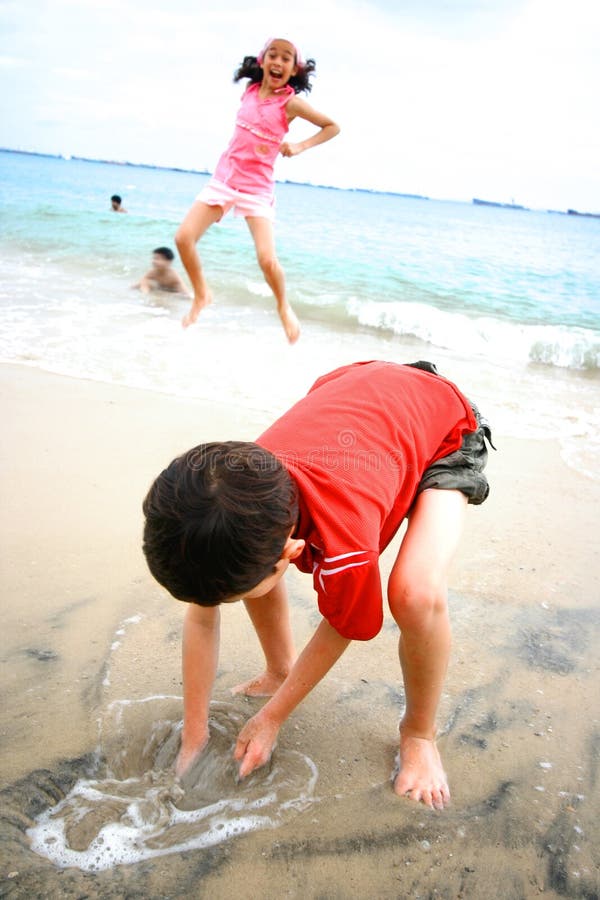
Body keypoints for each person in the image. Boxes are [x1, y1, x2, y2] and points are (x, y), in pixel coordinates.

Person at [142, 361, 494, 810]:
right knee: (249, 564)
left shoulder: (345, 546)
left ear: (290, 553)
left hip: (446, 430)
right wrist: (195, 736)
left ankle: (420, 734)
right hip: (365, 396)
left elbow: (343, 624)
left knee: (414, 592)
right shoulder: (236, 494)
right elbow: (204, 615)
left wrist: (272, 718)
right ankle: (278, 668)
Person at [175, 37, 339, 344]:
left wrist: (299, 146)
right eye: (272, 55)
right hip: (224, 180)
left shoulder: (291, 103)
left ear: (294, 70)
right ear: (262, 62)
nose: (278, 61)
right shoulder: (249, 91)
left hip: (257, 189)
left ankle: (282, 305)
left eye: (286, 58)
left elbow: (332, 126)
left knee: (267, 260)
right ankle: (201, 294)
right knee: (183, 238)